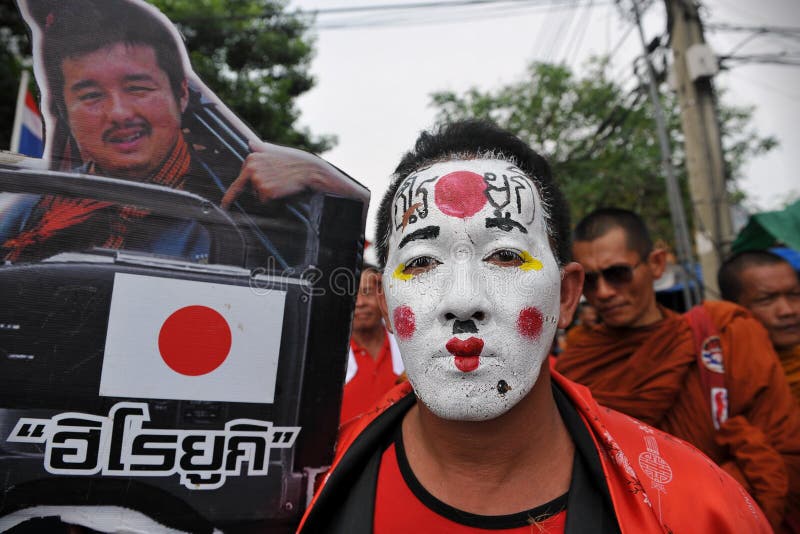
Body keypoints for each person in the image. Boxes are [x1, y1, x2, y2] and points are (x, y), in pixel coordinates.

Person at [297, 120, 770, 532]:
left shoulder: (700, 510)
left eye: (505, 255)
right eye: (422, 262)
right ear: (384, 302)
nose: (463, 300)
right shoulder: (302, 489)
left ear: (566, 296)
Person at [2, 0, 358, 263]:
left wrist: (324, 180)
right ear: (64, 112)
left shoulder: (246, 208)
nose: (120, 114)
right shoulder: (35, 210)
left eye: (138, 88)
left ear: (181, 95)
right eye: (91, 96)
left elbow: (362, 274)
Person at [556, 207, 800, 531]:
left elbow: (784, 450)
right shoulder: (578, 363)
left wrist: (696, 503)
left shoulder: (725, 333)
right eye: (591, 282)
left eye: (618, 273)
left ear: (656, 264)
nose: (604, 293)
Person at [719, 250, 800, 404]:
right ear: (732, 307)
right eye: (766, 300)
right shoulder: (721, 376)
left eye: (794, 294)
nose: (788, 310)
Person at [341, 263, 404, 423]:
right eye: (353, 294)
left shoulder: (409, 349)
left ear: (383, 298)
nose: (360, 302)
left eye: (367, 293)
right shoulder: (326, 355)